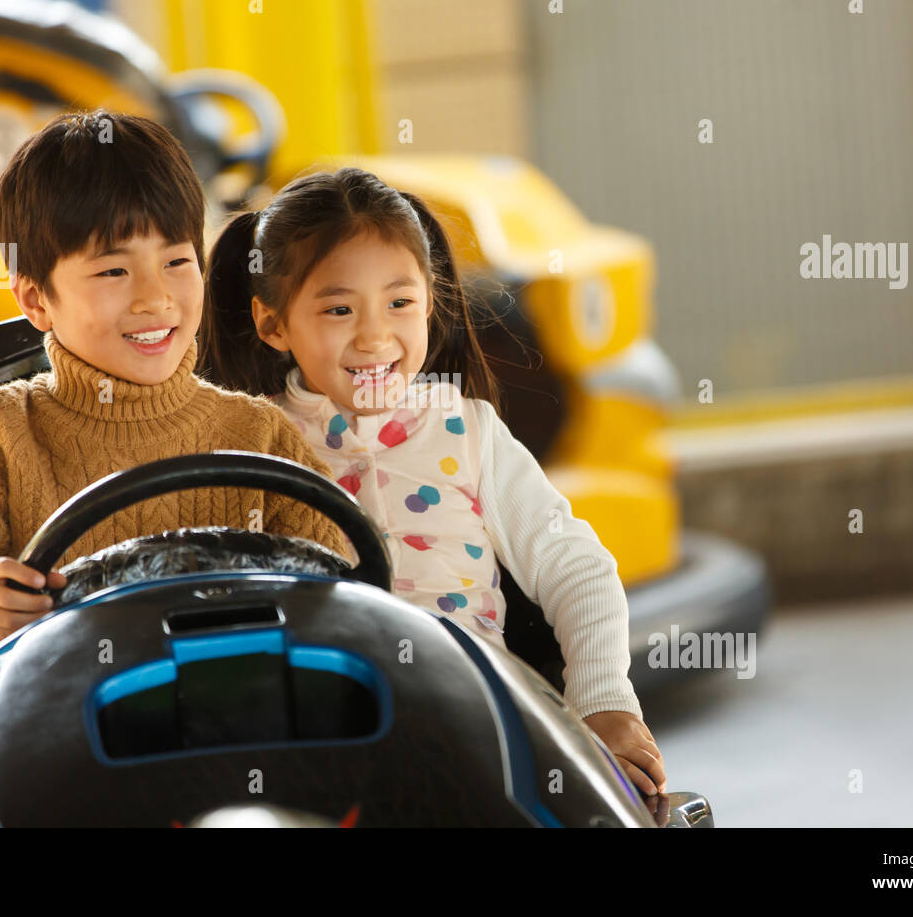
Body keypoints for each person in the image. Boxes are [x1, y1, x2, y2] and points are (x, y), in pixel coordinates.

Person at [197, 167, 667, 796]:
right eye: (339, 308)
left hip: (478, 719)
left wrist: (604, 703)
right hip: (319, 734)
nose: (374, 335)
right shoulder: (253, 441)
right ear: (273, 324)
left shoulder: (466, 432)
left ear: (430, 299)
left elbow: (576, 567)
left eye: (400, 302)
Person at [0, 111, 351, 679]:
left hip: (243, 718)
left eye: (176, 261)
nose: (155, 298)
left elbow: (343, 588)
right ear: (36, 300)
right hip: (66, 734)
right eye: (112, 272)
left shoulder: (257, 433)